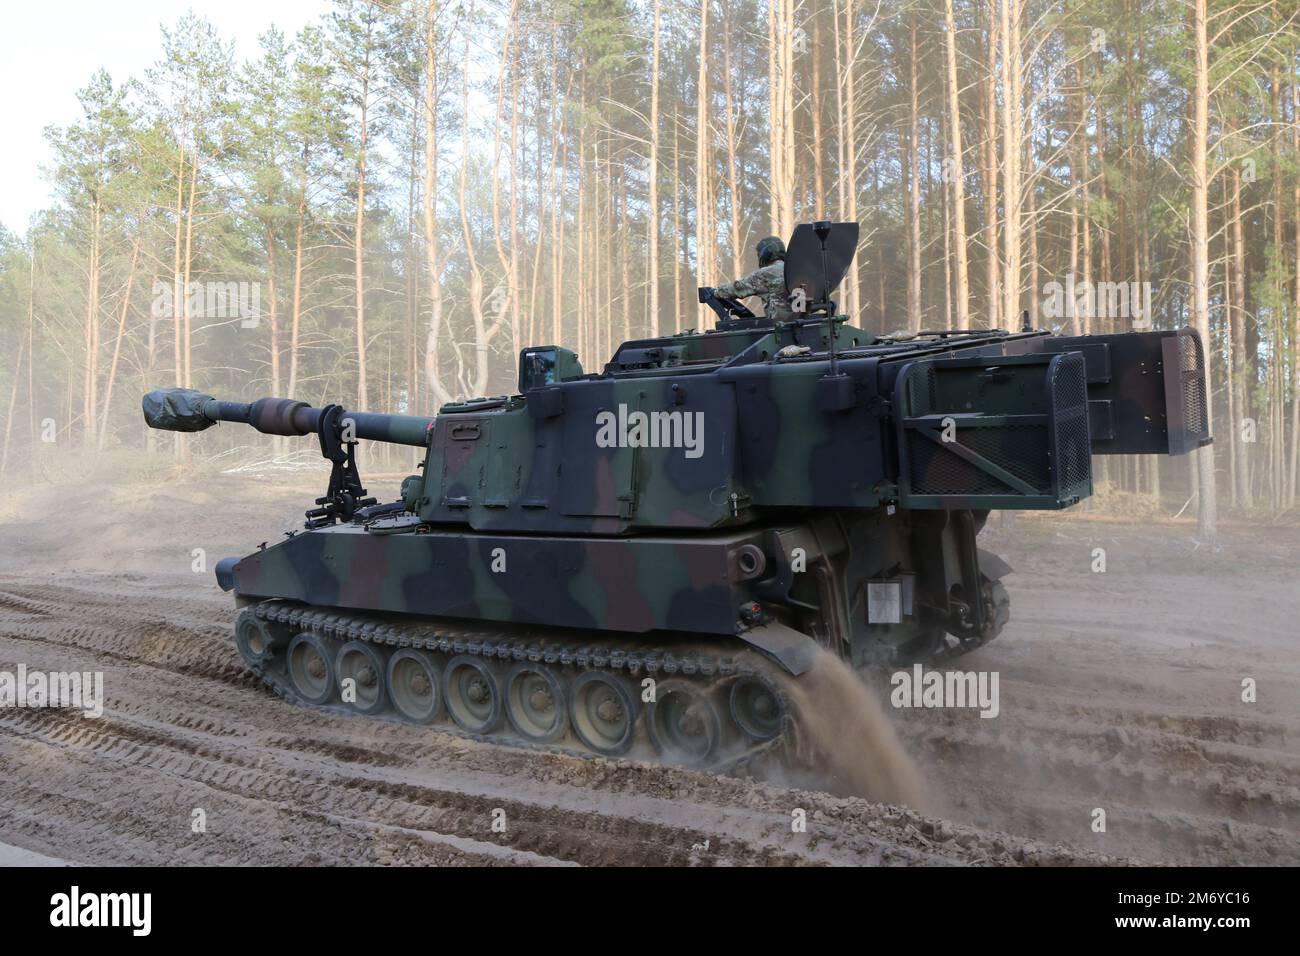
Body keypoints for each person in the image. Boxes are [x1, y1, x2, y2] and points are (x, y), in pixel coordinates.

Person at [714, 236, 795, 322]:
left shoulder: (764, 274)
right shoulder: (796, 269)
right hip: (804, 324)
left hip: (781, 328)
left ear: (764, 254)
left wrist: (716, 292)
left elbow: (738, 288)